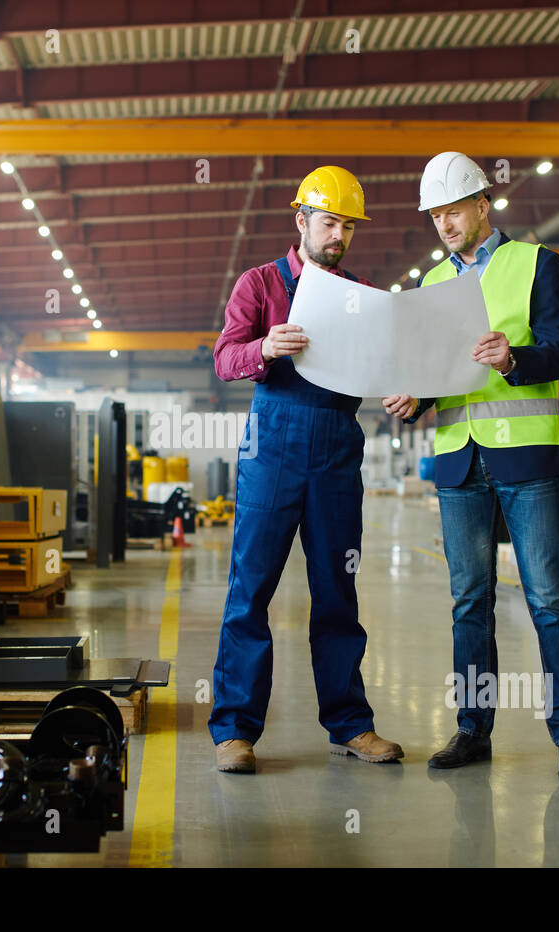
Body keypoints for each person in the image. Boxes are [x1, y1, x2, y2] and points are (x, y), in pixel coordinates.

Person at [383, 151, 559, 781]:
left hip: (526, 457)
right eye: (435, 215)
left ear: (483, 205)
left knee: (549, 600)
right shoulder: (429, 286)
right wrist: (415, 397)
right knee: (468, 603)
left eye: (453, 210)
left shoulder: (536, 263)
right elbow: (436, 376)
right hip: (458, 462)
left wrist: (513, 357)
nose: (444, 224)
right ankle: (473, 730)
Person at [208, 166, 403, 773]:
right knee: (251, 589)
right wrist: (264, 348)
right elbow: (224, 358)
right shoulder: (260, 283)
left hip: (337, 450)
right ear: (302, 221)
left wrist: (403, 391)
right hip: (274, 446)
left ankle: (350, 725)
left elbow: (385, 363)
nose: (338, 234)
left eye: (348, 225)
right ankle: (235, 731)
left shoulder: (362, 294)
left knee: (337, 592)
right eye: (329, 221)